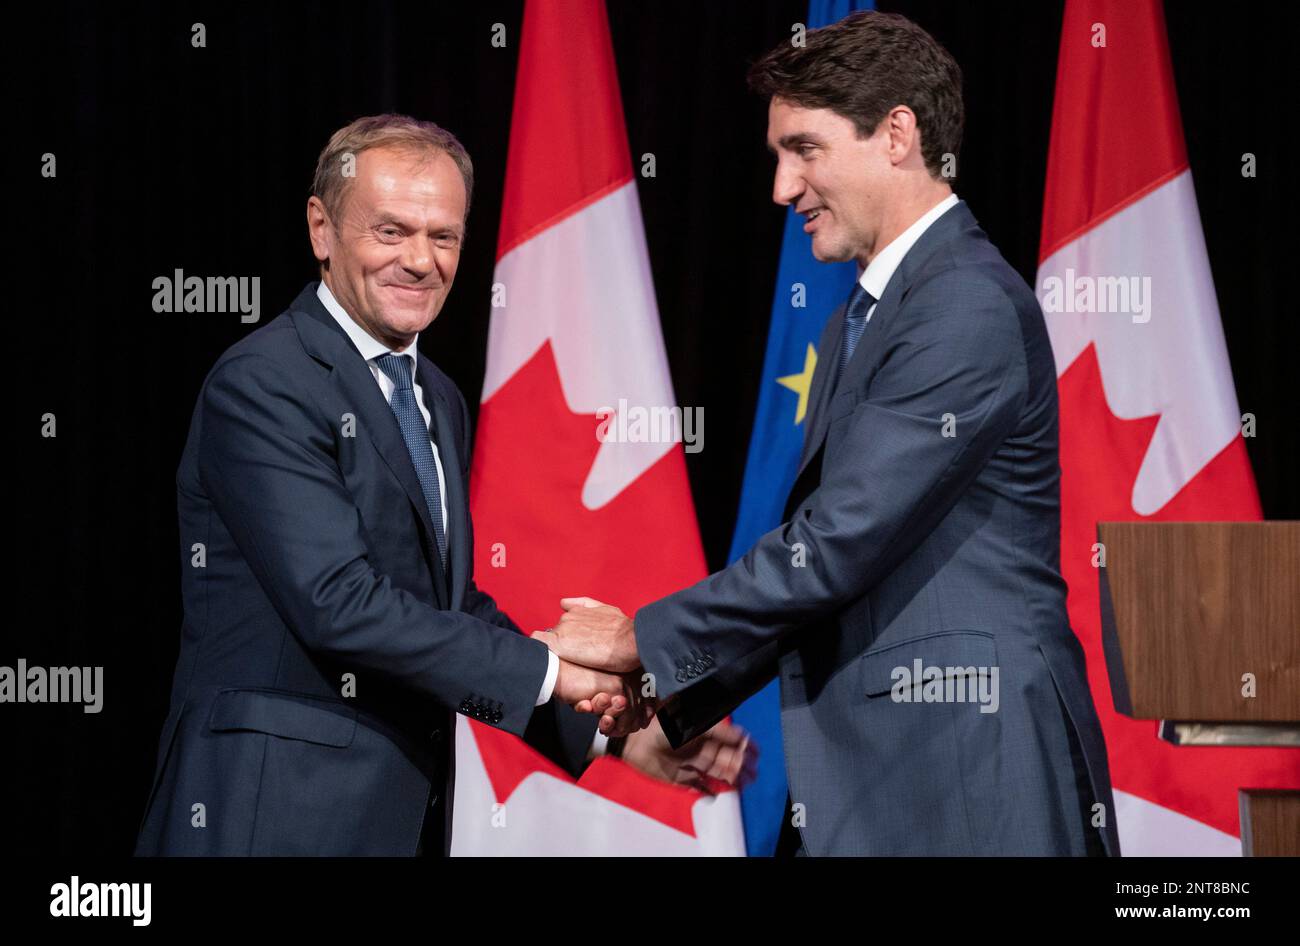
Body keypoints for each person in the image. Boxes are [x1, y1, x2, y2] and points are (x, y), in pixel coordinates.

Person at [541, 11, 1119, 856]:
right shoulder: (866, 313)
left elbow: (839, 542)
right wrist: (668, 698)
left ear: (896, 134)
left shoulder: (963, 303)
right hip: (887, 774)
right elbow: (840, 562)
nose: (781, 188)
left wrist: (639, 643)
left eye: (803, 149)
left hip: (966, 771)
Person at [135, 114, 751, 857]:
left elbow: (444, 611)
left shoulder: (437, 398)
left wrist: (616, 740)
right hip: (269, 813)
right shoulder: (264, 382)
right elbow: (342, 605)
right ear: (321, 229)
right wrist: (553, 668)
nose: (421, 261)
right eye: (391, 232)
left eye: (444, 236)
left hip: (399, 818)